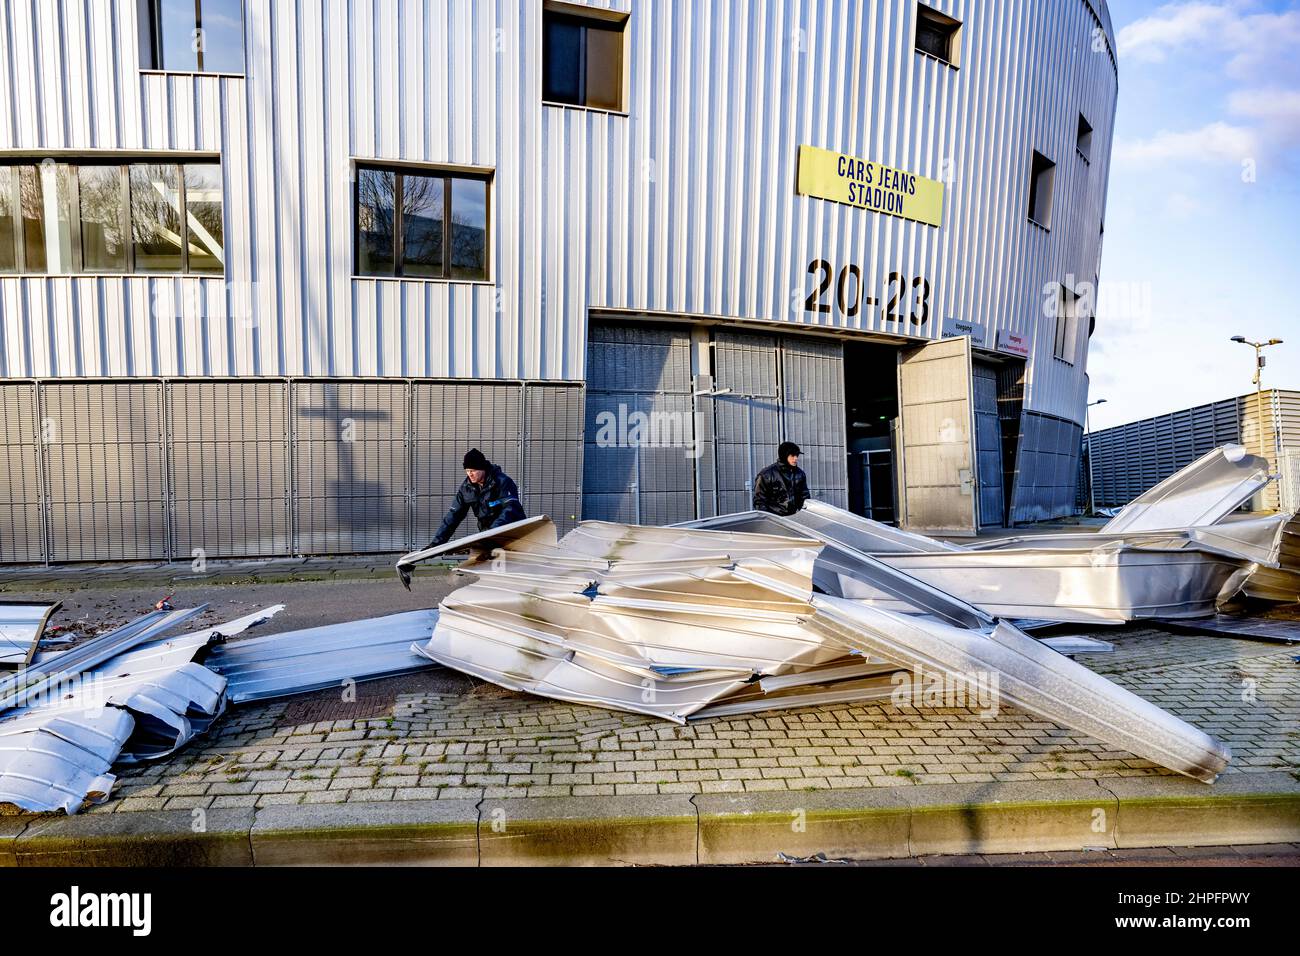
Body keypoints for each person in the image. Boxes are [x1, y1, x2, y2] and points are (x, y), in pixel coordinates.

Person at [427, 448, 526, 548]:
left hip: (513, 532)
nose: (470, 474)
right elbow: (453, 516)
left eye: (473, 470)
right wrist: (436, 543)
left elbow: (510, 509)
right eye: (467, 470)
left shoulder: (502, 482)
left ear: (482, 468)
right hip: (488, 536)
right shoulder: (466, 489)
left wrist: (492, 532)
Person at [752, 441, 810, 516]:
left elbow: (805, 498)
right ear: (784, 456)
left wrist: (805, 517)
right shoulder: (766, 474)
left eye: (797, 455)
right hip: (773, 520)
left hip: (793, 518)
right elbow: (759, 502)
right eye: (792, 455)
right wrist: (768, 521)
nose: (796, 458)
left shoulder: (800, 474)